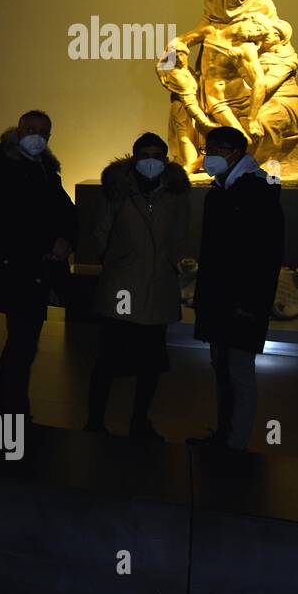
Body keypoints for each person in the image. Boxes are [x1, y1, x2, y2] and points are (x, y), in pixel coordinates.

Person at [84, 133, 190, 440]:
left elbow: (181, 234)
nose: (151, 161)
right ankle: (95, 420)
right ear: (133, 158)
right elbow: (100, 232)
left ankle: (139, 420)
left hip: (158, 287)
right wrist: (117, 262)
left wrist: (171, 264)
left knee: (151, 363)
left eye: (158, 155)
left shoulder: (176, 194)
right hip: (123, 285)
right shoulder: (117, 191)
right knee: (108, 358)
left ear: (167, 159)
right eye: (145, 155)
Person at [0, 110, 77, 419]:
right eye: (29, 129)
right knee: (23, 341)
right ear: (18, 131)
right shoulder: (0, 170)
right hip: (16, 270)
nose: (35, 135)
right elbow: (5, 221)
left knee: (24, 340)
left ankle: (5, 403)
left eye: (42, 132)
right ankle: (12, 409)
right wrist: (50, 243)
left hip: (35, 270)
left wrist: (67, 238)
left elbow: (65, 211)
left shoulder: (45, 170)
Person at [187, 126, 284, 453]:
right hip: (218, 298)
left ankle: (235, 442)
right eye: (207, 147)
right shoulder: (220, 190)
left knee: (238, 372)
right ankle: (225, 436)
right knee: (222, 370)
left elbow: (268, 253)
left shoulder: (258, 190)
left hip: (241, 303)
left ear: (236, 152)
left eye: (218, 148)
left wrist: (253, 302)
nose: (210, 154)